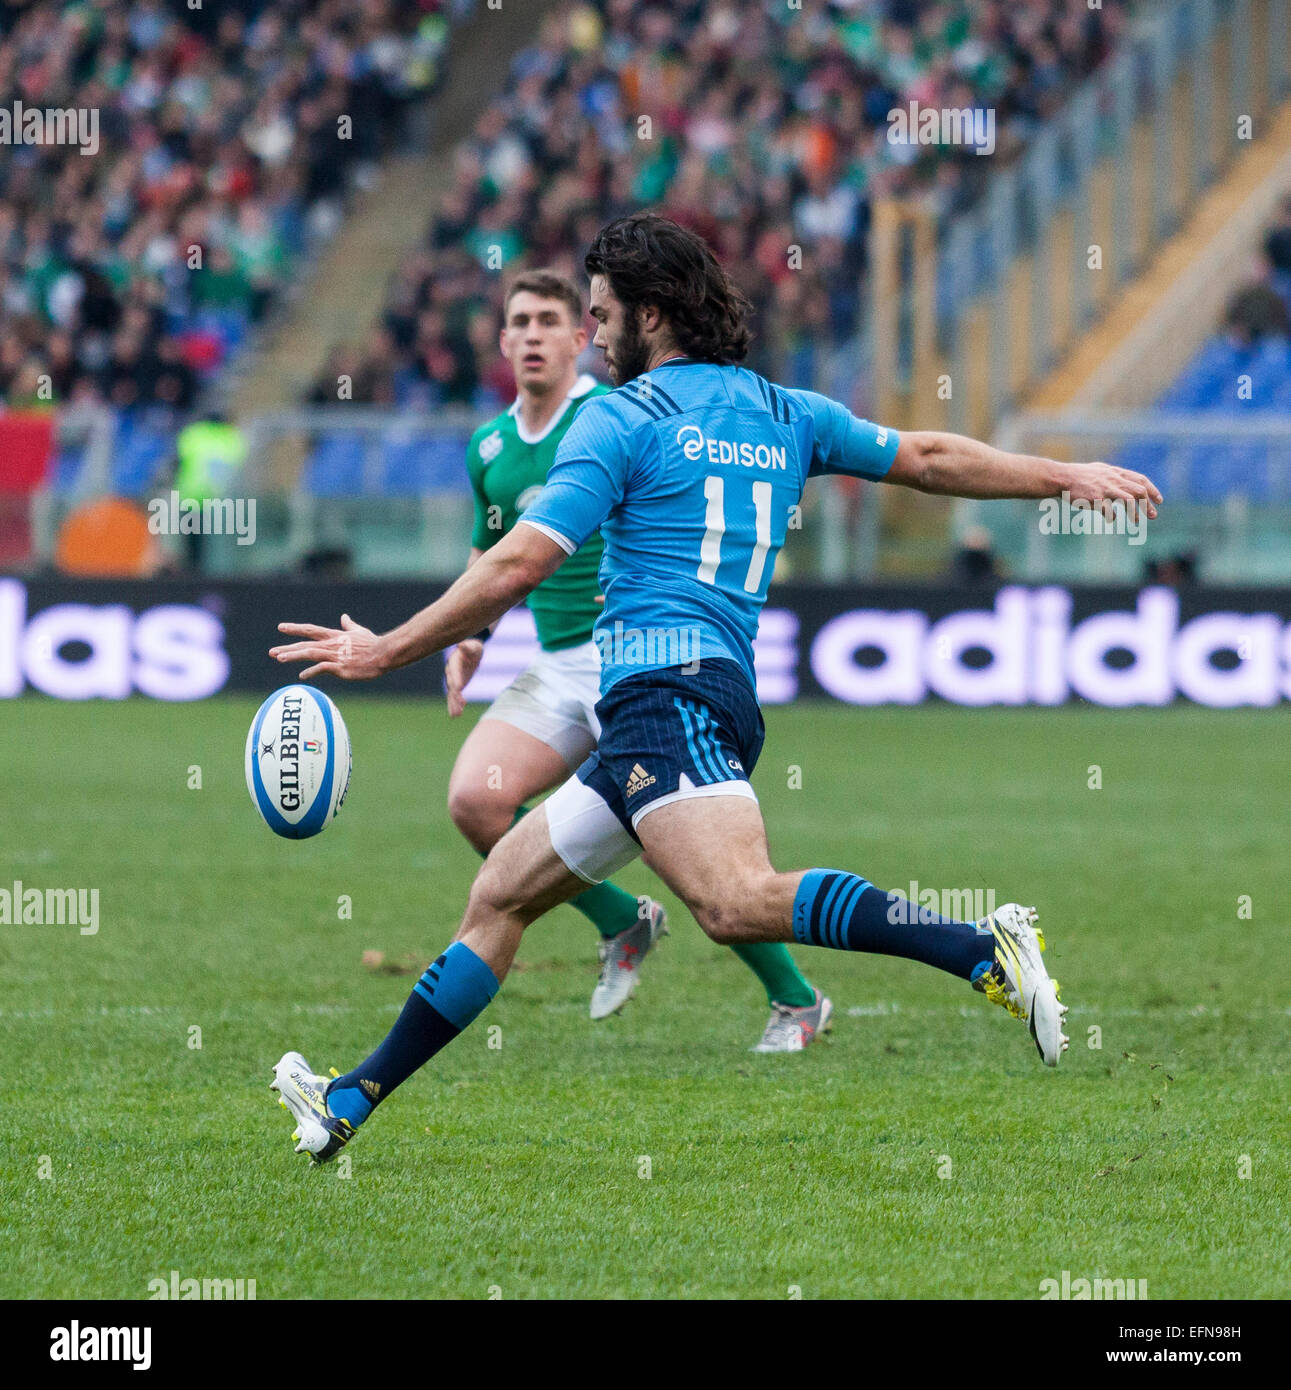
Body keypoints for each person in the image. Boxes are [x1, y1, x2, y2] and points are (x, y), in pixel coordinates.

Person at [268, 214, 1161, 1164]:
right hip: (685, 695)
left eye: (603, 316)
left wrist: (389, 649)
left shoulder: (618, 419)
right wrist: (1061, 474)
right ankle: (349, 1100)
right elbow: (930, 460)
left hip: (665, 692)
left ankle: (981, 952)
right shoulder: (785, 411)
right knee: (500, 898)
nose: (593, 336)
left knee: (733, 903)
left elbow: (522, 559)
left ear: (651, 315)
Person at [445, 268, 830, 1047]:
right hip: (557, 663)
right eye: (517, 322)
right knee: (475, 800)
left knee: (684, 854)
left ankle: (794, 998)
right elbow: (494, 550)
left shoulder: (618, 412)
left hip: (636, 656)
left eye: (549, 321)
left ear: (581, 336)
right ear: (501, 340)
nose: (531, 336)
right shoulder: (488, 445)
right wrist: (470, 635)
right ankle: (624, 922)